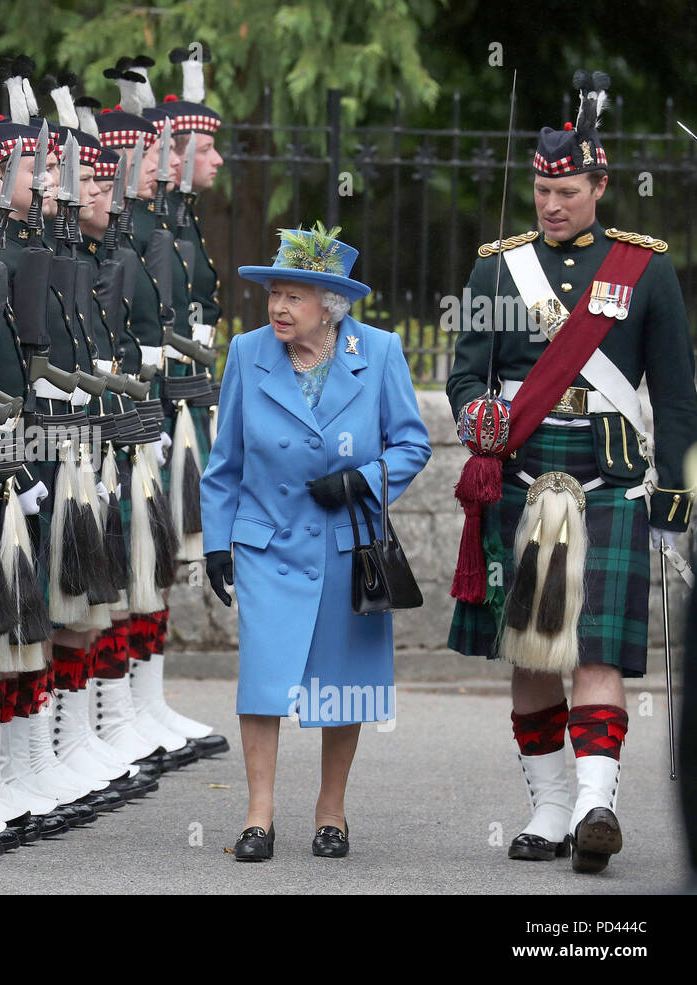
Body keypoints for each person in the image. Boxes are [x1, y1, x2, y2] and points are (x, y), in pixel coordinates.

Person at [446, 72, 697, 874]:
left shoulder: (644, 270)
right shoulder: (497, 270)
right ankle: (549, 807)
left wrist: (676, 498)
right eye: (542, 189)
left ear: (600, 185)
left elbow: (678, 395)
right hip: (523, 482)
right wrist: (472, 416)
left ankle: (595, 804)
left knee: (594, 650)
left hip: (610, 482)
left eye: (567, 189)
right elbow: (464, 376)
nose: (551, 204)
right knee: (530, 652)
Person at [200, 223, 430, 861]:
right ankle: (258, 818)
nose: (277, 307)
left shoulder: (378, 351)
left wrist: (359, 481)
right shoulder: (248, 353)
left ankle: (332, 813)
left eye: (294, 297)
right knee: (264, 680)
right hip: (268, 543)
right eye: (274, 293)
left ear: (329, 308)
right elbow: (224, 464)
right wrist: (218, 542)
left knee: (343, 680)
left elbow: (412, 445)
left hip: (345, 546)